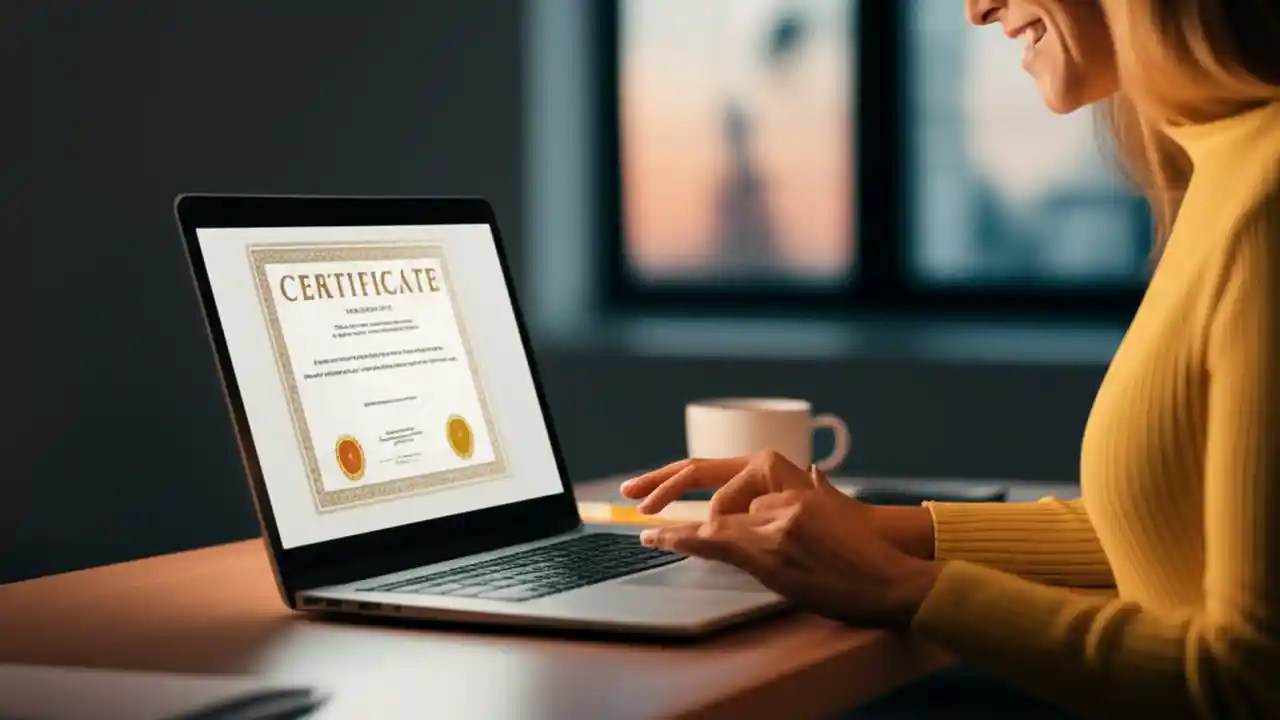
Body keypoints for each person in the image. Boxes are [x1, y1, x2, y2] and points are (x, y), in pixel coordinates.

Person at [621, 1, 1280, 716]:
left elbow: (1247, 681)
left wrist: (899, 588)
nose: (976, 9)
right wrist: (870, 528)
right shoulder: (1228, 166)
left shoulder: (1265, 205)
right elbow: (1158, 529)